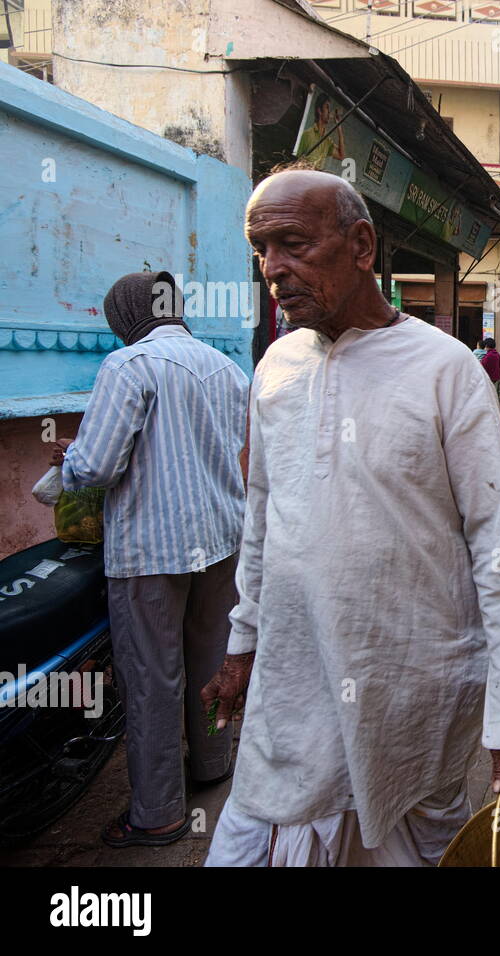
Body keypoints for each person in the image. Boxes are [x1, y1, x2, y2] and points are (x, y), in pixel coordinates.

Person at [202, 169, 500, 866]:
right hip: (293, 684)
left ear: (361, 245)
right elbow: (263, 522)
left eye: (293, 244)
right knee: (265, 831)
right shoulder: (275, 368)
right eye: (261, 250)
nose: (273, 269)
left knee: (411, 837)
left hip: (412, 684)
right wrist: (242, 643)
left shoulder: (444, 370)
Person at [53, 271, 249, 848]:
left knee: (152, 678)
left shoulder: (127, 366)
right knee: (213, 662)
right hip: (221, 538)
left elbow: (96, 468)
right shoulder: (227, 367)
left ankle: (158, 813)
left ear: (126, 317)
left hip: (152, 548)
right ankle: (211, 766)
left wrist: (69, 461)